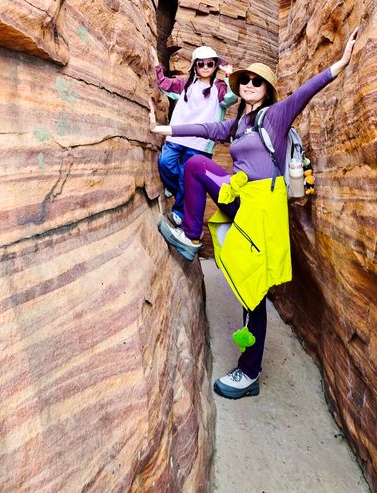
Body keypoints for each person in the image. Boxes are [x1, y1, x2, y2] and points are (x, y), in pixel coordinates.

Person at [151, 29, 358, 399]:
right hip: (241, 196)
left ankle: (249, 373)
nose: (248, 83)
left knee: (253, 294)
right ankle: (191, 236)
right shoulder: (239, 124)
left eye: (256, 80)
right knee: (197, 164)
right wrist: (166, 128)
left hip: (262, 208)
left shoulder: (276, 116)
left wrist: (337, 66)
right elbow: (207, 128)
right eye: (244, 79)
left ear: (267, 89)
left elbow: (305, 93)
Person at [154, 46, 237, 225]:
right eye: (201, 64)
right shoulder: (185, 84)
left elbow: (232, 98)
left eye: (210, 63)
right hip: (177, 136)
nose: (206, 67)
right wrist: (155, 64)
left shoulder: (219, 88)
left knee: (187, 177)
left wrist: (229, 75)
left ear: (215, 66)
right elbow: (164, 84)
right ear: (195, 66)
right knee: (165, 163)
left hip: (201, 143)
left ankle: (179, 213)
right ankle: (176, 190)